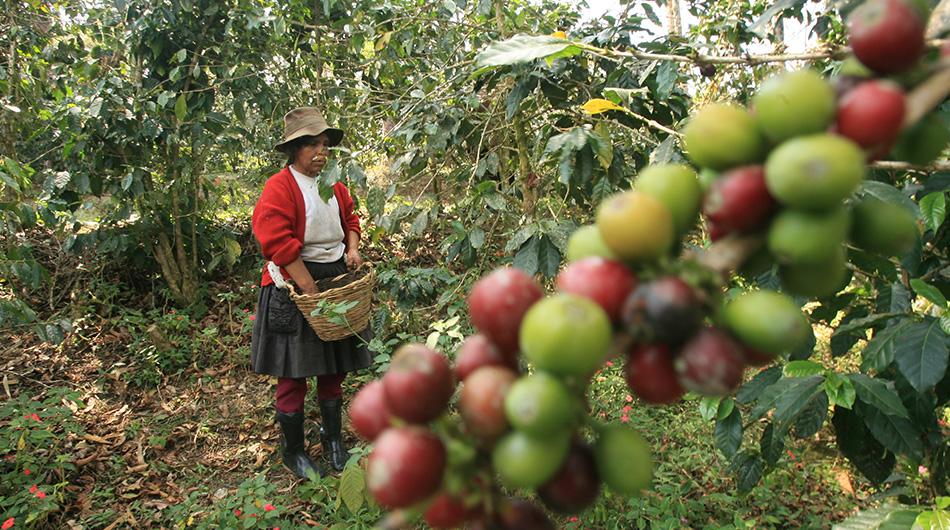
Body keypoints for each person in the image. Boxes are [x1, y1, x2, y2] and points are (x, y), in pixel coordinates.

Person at [250, 107, 373, 479]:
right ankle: (294, 451)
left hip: (333, 279)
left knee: (334, 366)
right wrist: (309, 291)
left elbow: (351, 218)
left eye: (325, 145)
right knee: (294, 372)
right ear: (295, 149)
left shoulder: (334, 184)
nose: (321, 153)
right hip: (295, 282)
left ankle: (332, 439)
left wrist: (351, 249)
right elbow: (277, 243)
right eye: (313, 145)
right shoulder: (280, 187)